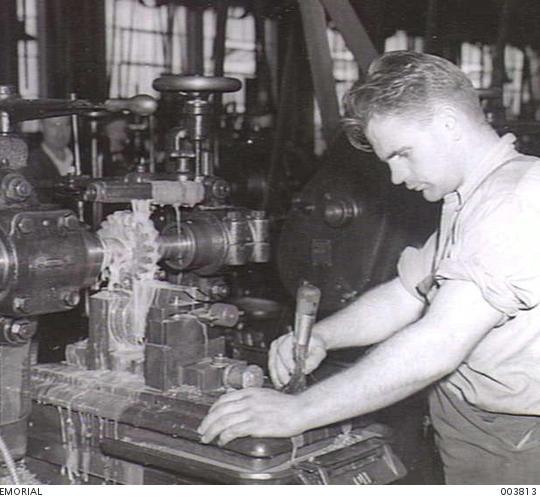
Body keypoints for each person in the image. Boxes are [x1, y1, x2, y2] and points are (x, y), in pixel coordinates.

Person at [198, 50, 540, 485]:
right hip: (470, 419)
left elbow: (440, 341)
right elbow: (406, 295)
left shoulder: (513, 201)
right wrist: (322, 336)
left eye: (402, 154)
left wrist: (298, 411)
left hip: (517, 438)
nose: (397, 178)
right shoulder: (474, 196)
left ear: (449, 124)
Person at [26, 116, 75, 202]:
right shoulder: (32, 162)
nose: (61, 132)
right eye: (54, 125)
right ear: (41, 127)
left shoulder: (81, 159)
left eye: (66, 125)